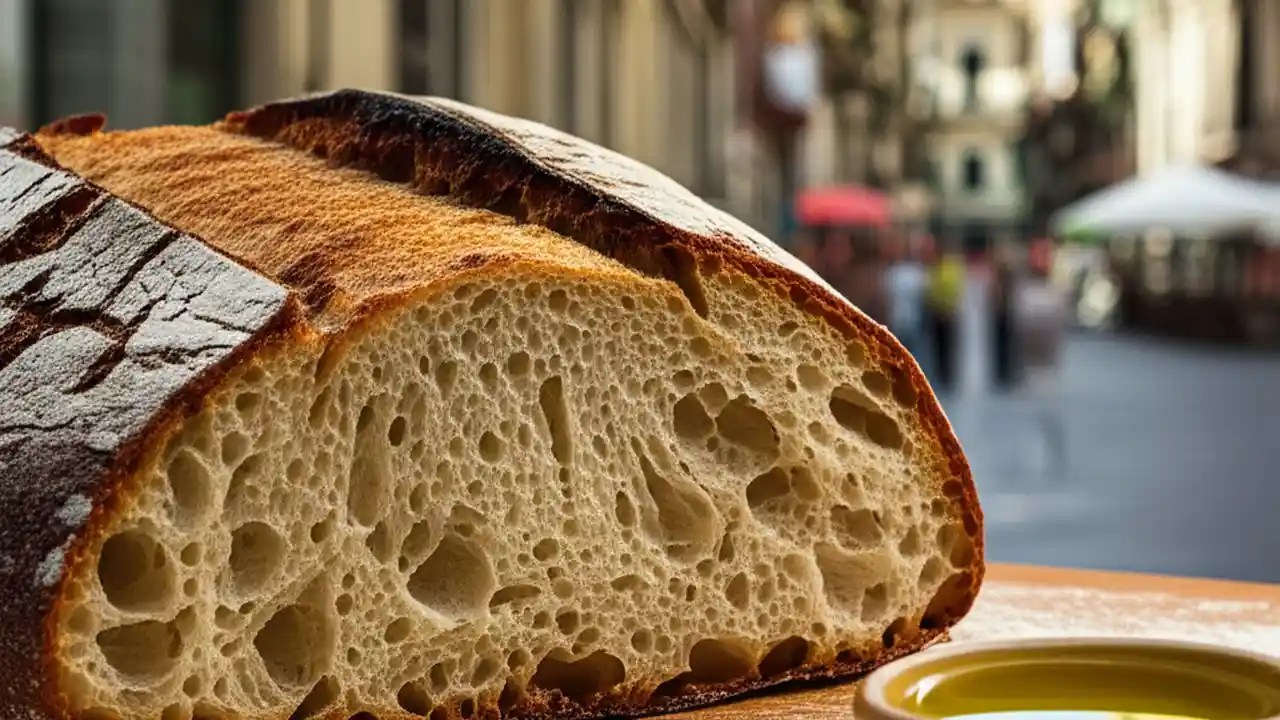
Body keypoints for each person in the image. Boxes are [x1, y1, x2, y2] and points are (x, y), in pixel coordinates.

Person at [1015, 238, 1068, 479]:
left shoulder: (1051, 292)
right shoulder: (1028, 292)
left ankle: (1048, 452)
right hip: (1035, 361)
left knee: (1046, 408)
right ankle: (1039, 454)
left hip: (1045, 360)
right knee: (1037, 409)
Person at [883, 239, 928, 366]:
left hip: (899, 318)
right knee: (913, 354)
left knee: (899, 352)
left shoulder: (893, 272)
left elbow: (887, 297)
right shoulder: (917, 272)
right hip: (911, 319)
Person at [926, 247, 965, 392]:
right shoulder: (935, 269)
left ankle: (948, 375)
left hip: (948, 314)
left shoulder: (946, 269)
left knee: (947, 347)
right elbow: (930, 291)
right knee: (939, 347)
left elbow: (955, 290)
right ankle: (942, 375)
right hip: (938, 314)